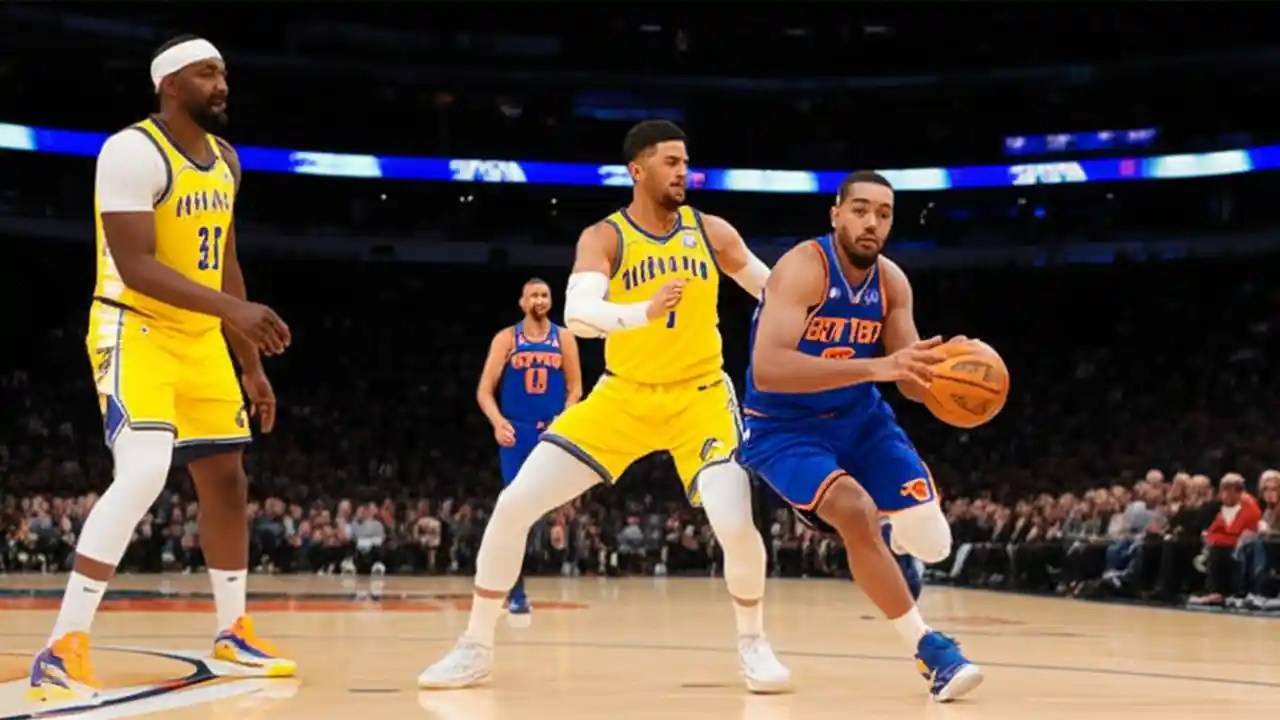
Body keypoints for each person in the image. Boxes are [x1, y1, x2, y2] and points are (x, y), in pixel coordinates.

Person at [419, 120, 791, 693]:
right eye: (670, 162)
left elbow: (774, 294)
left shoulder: (712, 231)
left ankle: (753, 643)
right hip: (622, 394)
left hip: (700, 396)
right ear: (637, 170)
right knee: (514, 504)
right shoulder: (605, 237)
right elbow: (584, 315)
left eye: (685, 161)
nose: (682, 172)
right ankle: (475, 646)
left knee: (735, 522)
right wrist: (641, 311)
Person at [29, 35, 295, 702]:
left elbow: (226, 262)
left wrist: (250, 365)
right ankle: (62, 645)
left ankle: (233, 631)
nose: (222, 83)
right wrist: (237, 309)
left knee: (228, 481)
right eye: (208, 72)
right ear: (170, 84)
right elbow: (139, 267)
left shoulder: (227, 159)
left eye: (225, 71)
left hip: (203, 336)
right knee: (145, 470)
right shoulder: (130, 151)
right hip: (135, 325)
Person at [737, 170, 983, 702]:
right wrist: (879, 369)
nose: (872, 222)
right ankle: (931, 652)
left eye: (884, 214)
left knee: (934, 543)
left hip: (861, 422)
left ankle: (894, 540)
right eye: (861, 209)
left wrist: (944, 372)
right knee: (853, 510)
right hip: (783, 427)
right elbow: (769, 368)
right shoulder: (803, 268)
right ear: (836, 213)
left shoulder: (892, 282)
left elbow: (908, 377)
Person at [475, 278, 583, 625]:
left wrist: (564, 417)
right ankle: (516, 591)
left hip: (549, 431)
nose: (539, 299)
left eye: (545, 295)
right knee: (513, 513)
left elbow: (576, 388)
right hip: (516, 433)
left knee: (558, 498)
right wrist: (497, 422)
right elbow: (484, 391)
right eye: (533, 295)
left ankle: (563, 538)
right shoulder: (507, 339)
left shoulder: (563, 337)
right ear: (522, 302)